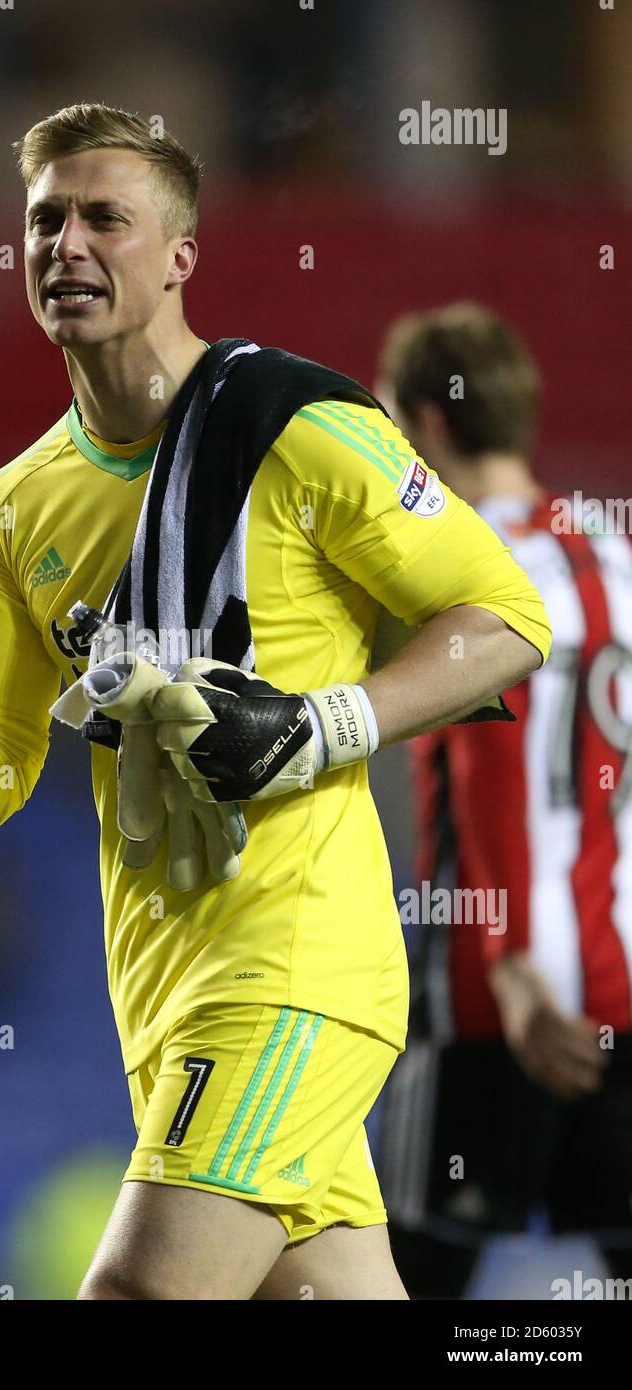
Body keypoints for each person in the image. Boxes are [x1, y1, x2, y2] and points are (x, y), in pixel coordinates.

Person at [0, 106, 550, 1300]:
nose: (66, 243)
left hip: (295, 973)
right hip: (166, 997)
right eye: (45, 219)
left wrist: (321, 724)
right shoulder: (16, 507)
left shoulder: (300, 426)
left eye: (102, 218)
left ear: (180, 254)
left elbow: (505, 619)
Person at [375, 302, 632, 1299]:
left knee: (404, 1276)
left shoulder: (475, 573)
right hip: (618, 994)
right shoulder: (615, 555)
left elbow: (493, 771)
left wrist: (516, 966)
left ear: (428, 426)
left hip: (495, 1000)